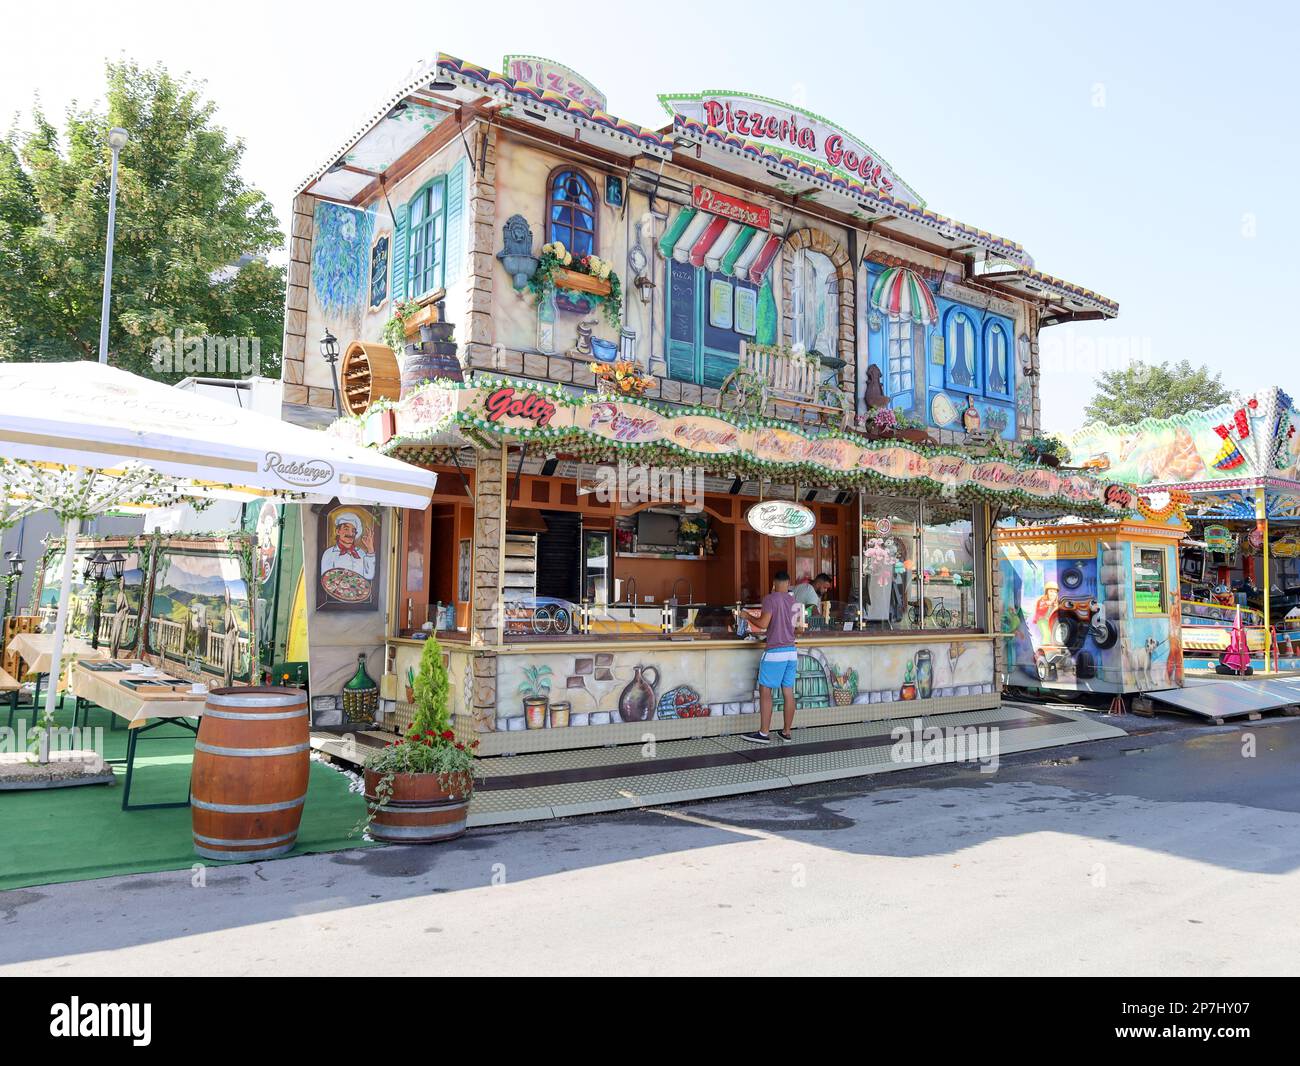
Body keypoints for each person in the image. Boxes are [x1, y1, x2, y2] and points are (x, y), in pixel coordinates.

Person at [740, 570, 805, 744]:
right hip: (791, 652)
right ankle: (786, 732)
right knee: (788, 692)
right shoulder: (794, 601)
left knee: (765, 691)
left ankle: (763, 733)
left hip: (775, 652)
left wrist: (747, 616)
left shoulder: (770, 599)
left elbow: (762, 624)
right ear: (788, 583)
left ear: (774, 583)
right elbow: (799, 629)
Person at [321, 511, 376, 580]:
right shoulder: (329, 553)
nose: (350, 533)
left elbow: (369, 576)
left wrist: (370, 548)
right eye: (346, 529)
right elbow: (326, 579)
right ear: (338, 531)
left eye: (353, 531)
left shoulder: (360, 553)